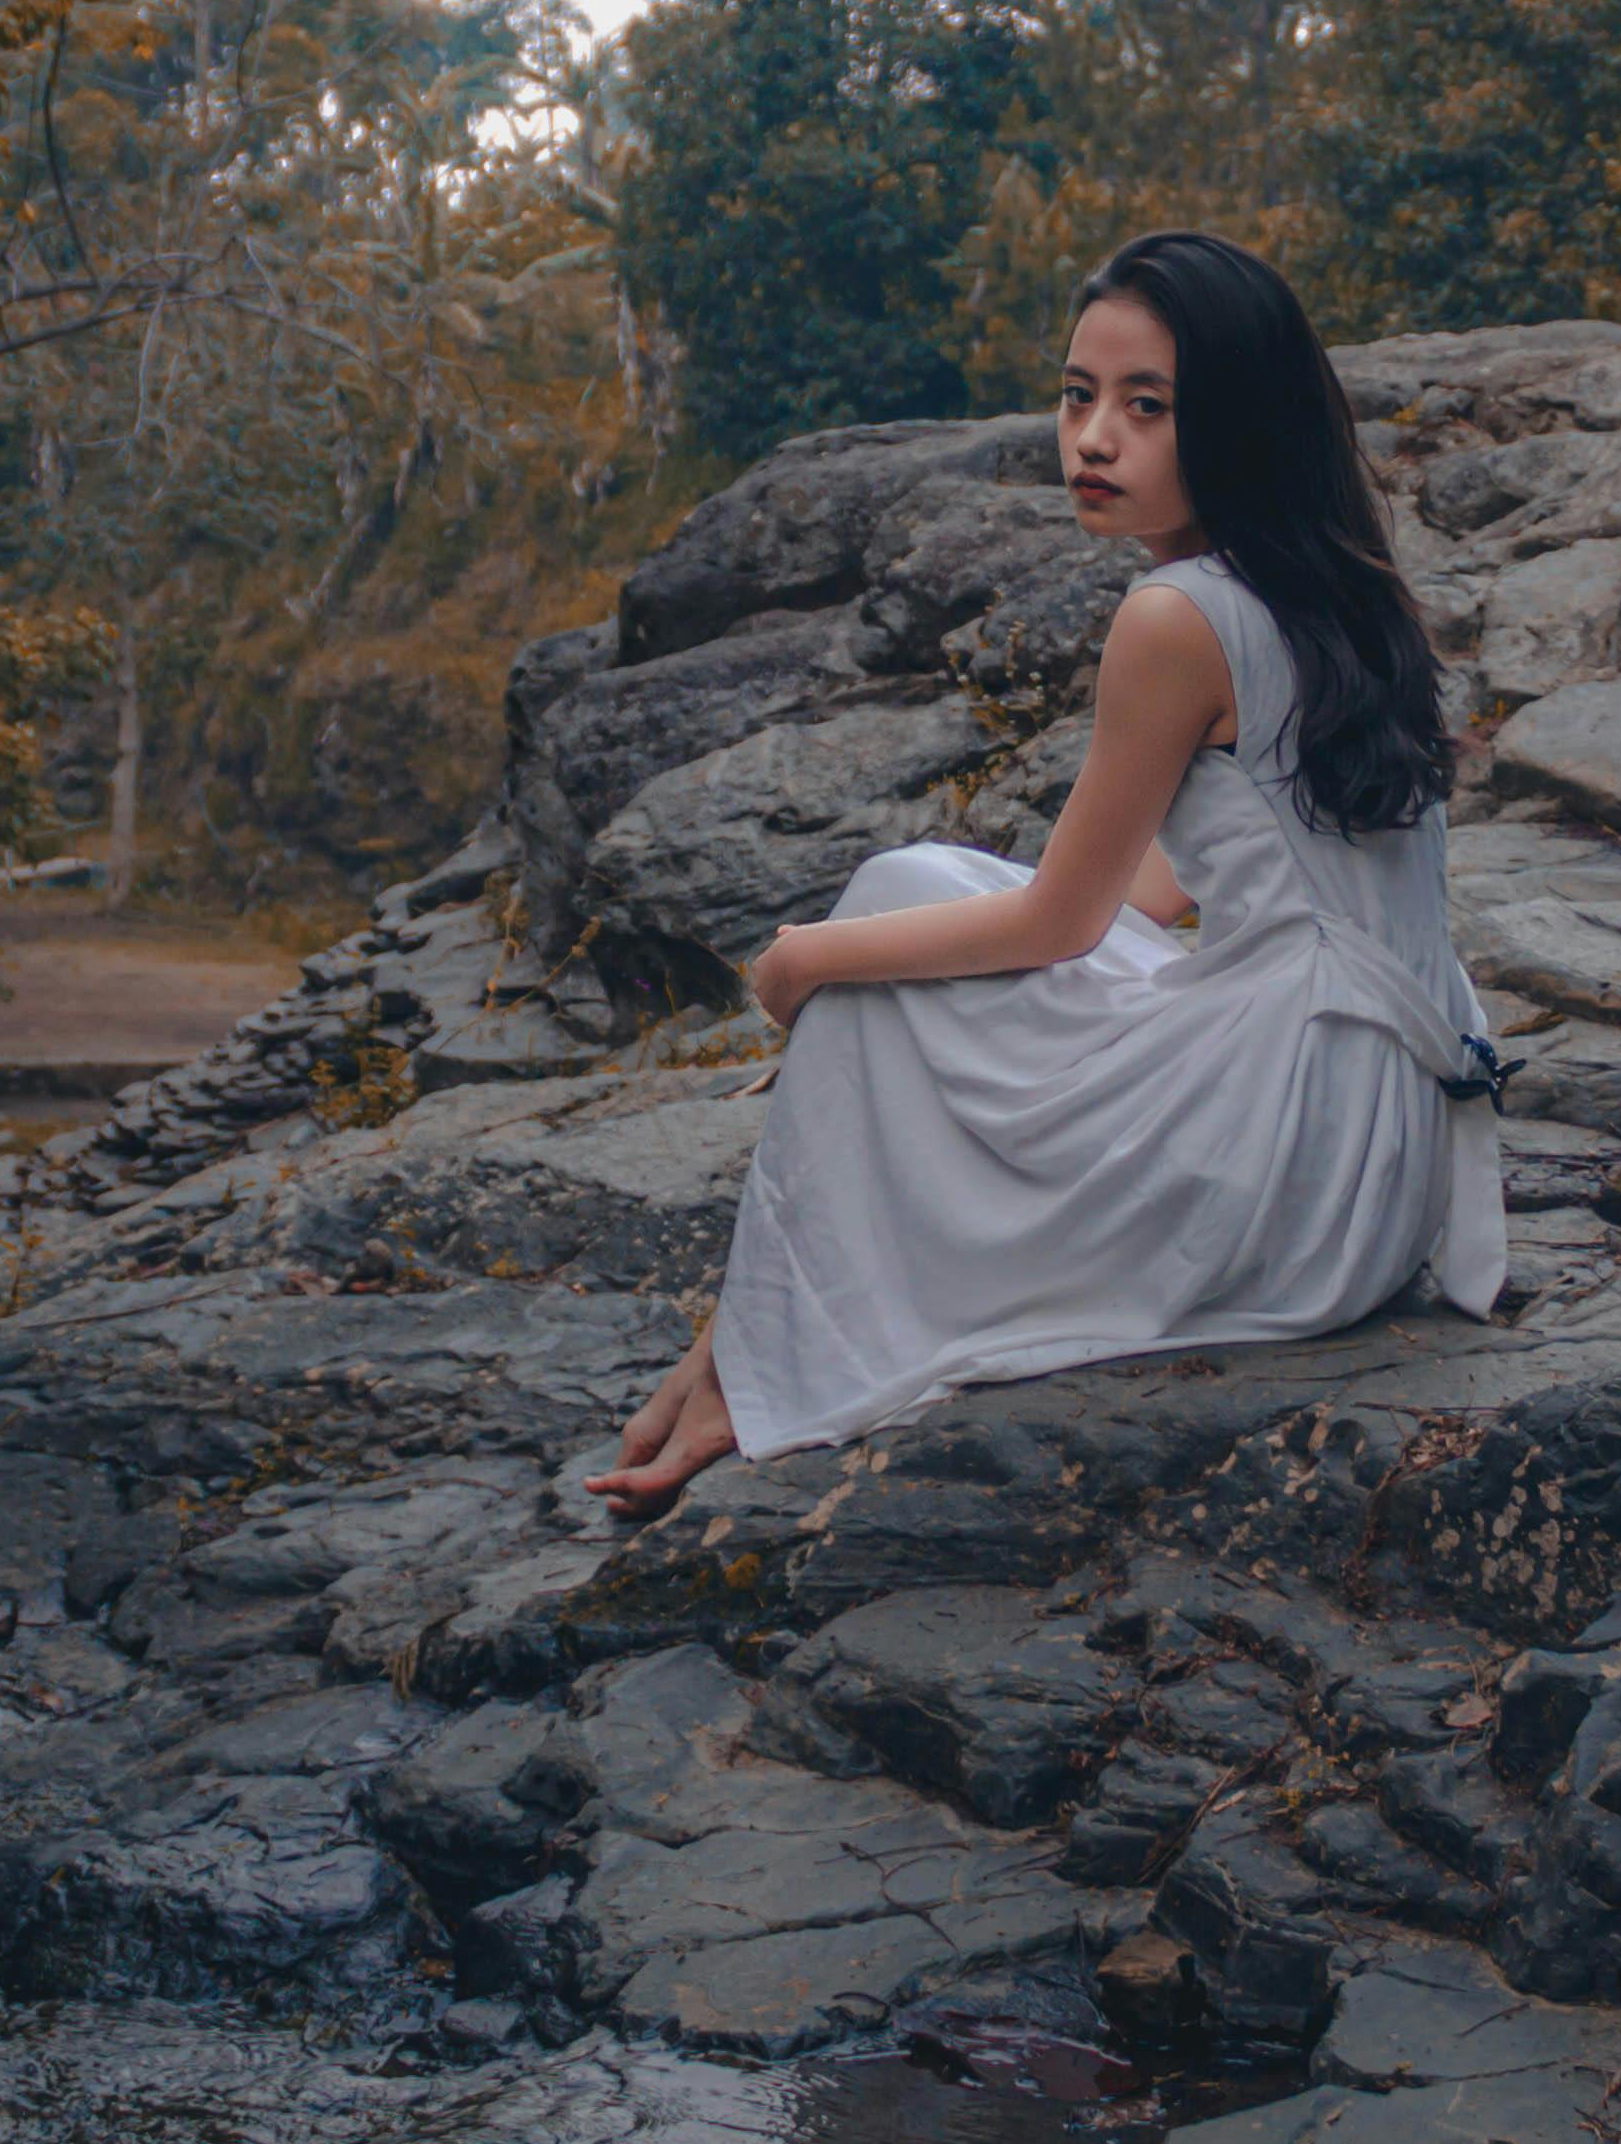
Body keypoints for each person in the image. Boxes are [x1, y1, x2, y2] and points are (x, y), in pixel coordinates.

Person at [586, 230, 1502, 1516]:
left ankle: (752, 1360)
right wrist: (913, 982)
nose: (1094, 440)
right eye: (1079, 396)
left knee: (890, 921)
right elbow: (1191, 884)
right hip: (1385, 1148)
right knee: (920, 914)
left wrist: (804, 964)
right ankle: (743, 1349)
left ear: (1237, 419)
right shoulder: (1333, 582)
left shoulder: (1173, 618)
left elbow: (1063, 925)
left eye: (1148, 407)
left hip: (1296, 1148)